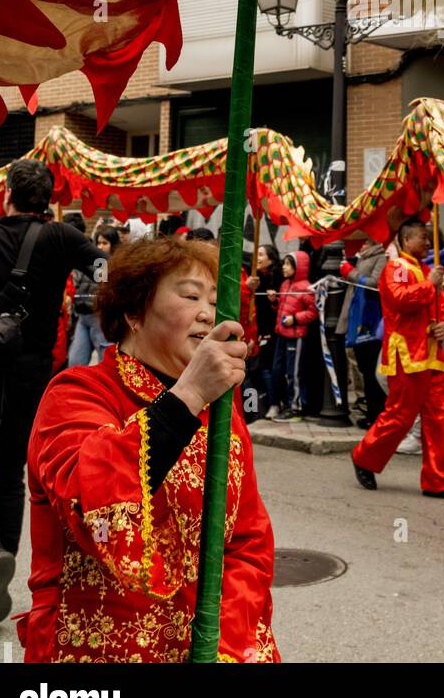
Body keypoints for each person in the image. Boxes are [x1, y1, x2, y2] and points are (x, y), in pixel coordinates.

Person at [21, 235, 278, 661]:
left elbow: (247, 543)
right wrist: (188, 394)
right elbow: (91, 506)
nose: (207, 314)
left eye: (214, 300)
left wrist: (228, 645)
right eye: (190, 295)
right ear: (134, 313)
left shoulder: (223, 412)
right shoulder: (76, 394)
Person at [0, 159, 100, 627]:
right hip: (34, 371)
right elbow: (104, 268)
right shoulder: (61, 238)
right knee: (9, 471)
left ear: (7, 193)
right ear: (47, 198)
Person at [352, 218, 444, 499]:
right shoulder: (397, 269)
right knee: (400, 416)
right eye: (422, 238)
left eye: (428, 238)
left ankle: (437, 481)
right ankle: (364, 457)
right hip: (407, 355)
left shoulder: (426, 271)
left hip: (433, 356)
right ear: (406, 240)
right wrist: (430, 285)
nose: (428, 243)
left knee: (436, 419)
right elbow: (402, 300)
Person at [339, 237, 387, 429]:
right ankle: (370, 409)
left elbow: (374, 283)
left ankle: (376, 413)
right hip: (355, 316)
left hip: (369, 319)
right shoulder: (361, 256)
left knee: (370, 371)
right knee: (363, 369)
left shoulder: (380, 257)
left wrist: (352, 273)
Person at [271, 250, 317, 419]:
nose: (284, 267)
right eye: (284, 263)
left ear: (299, 267)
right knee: (278, 370)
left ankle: (296, 407)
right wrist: (274, 302)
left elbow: (313, 312)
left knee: (294, 373)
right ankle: (285, 403)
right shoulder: (284, 285)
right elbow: (282, 307)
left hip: (296, 336)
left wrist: (295, 319)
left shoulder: (306, 288)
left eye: (288, 264)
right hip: (281, 334)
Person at [67, 225, 118, 367]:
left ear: (113, 244)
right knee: (75, 361)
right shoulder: (94, 261)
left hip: (101, 319)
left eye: (105, 243)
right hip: (83, 316)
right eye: (99, 243)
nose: (101, 246)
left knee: (106, 363)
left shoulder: (116, 264)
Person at [244, 243, 283, 419]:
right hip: (255, 329)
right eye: (256, 254)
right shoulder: (254, 277)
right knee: (254, 370)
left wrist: (274, 301)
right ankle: (253, 408)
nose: (256, 258)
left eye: (260, 254)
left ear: (271, 259)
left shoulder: (279, 278)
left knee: (266, 367)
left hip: (273, 330)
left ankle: (275, 403)